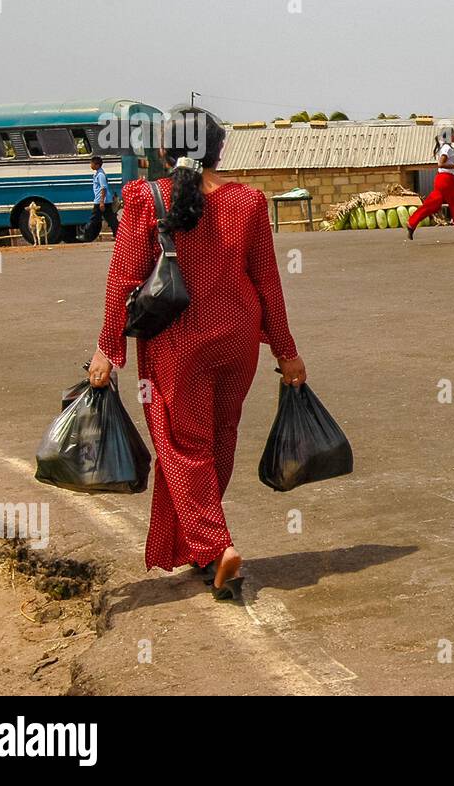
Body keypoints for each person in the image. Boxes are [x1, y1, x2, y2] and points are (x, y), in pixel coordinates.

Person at [87, 107, 306, 600]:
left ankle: (215, 547)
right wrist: (287, 352)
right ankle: (195, 549)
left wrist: (108, 348)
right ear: (218, 150)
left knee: (183, 447)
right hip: (238, 340)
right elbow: (267, 282)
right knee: (218, 437)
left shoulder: (147, 197)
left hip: (176, 343)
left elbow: (123, 277)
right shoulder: (248, 201)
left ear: (164, 151)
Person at [407, 121, 454, 241]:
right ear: (450, 136)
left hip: (441, 179)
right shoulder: (447, 148)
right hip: (447, 180)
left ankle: (412, 223)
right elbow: (441, 163)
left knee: (432, 204)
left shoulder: (445, 148)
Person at [81, 155, 120, 241]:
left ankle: (86, 236)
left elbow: (103, 188)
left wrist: (101, 202)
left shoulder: (101, 175)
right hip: (104, 200)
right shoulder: (98, 173)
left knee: (94, 219)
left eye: (92, 163)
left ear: (97, 165)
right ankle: (118, 234)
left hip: (101, 201)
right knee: (111, 218)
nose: (90, 165)